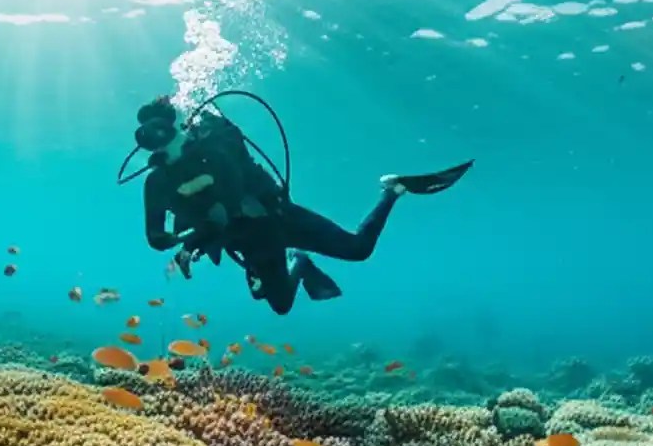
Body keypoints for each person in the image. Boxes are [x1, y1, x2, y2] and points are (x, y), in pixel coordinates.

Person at [132, 94, 471, 315]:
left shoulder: (215, 147)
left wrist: (194, 242)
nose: (158, 141)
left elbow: (231, 200)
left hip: (276, 218)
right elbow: (157, 235)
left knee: (358, 249)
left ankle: (393, 189)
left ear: (178, 125)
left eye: (163, 129)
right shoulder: (157, 181)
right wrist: (183, 243)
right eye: (148, 135)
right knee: (279, 305)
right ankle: (302, 263)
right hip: (245, 240)